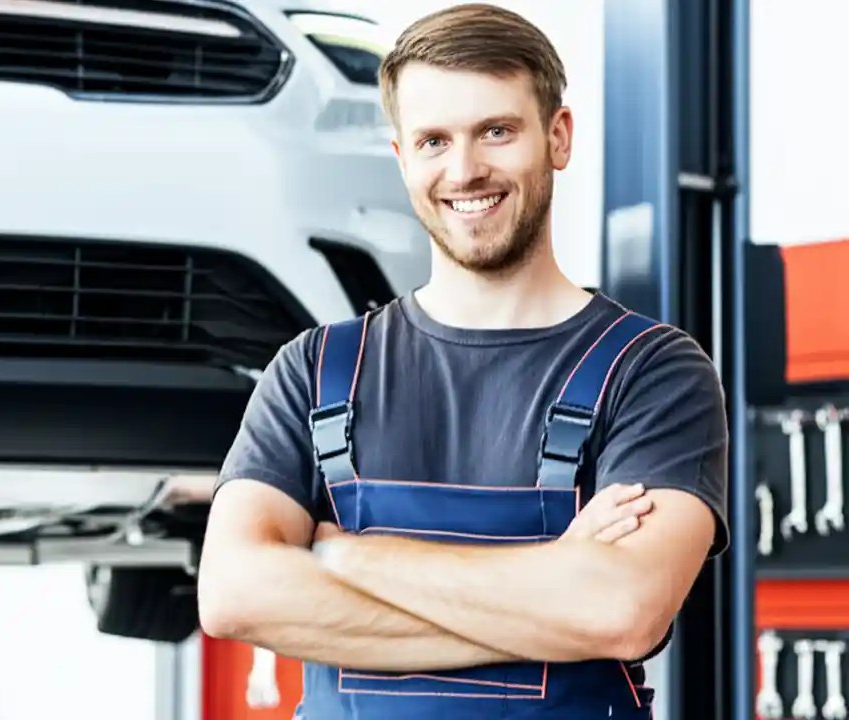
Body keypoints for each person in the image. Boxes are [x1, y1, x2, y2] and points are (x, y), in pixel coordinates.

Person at [196, 3, 729, 719]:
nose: (465, 169)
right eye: (434, 141)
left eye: (497, 131)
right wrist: (548, 594)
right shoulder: (314, 371)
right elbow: (234, 596)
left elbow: (620, 612)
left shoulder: (652, 373)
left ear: (558, 137)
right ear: (402, 158)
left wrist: (352, 559)